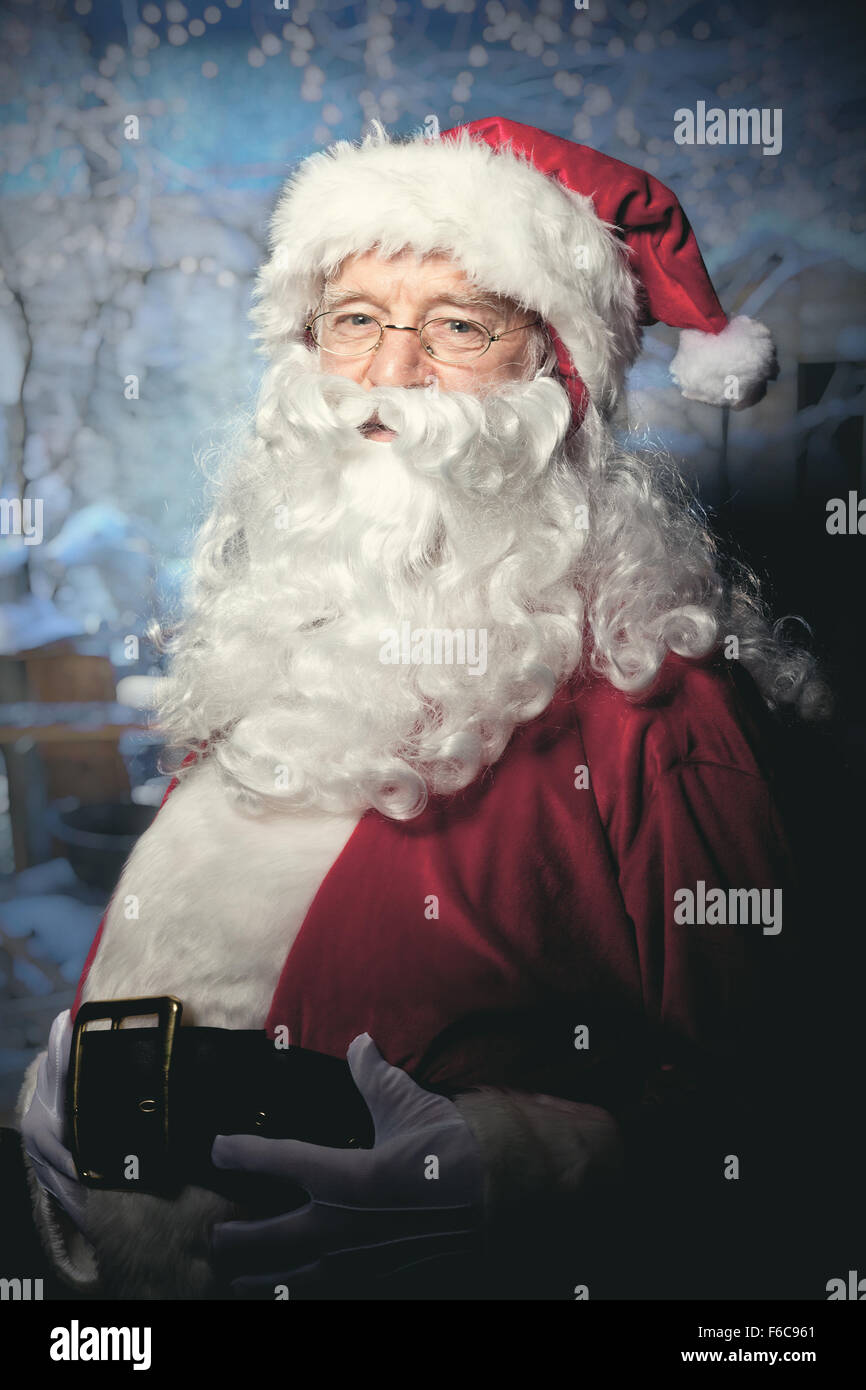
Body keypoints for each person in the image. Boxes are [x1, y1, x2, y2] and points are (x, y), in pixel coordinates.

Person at [16, 118, 827, 1301]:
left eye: (457, 326)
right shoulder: (269, 650)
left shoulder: (660, 715)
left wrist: (528, 1175)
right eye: (355, 321)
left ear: (556, 380)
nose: (387, 376)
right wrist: (79, 1090)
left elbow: (780, 1120)